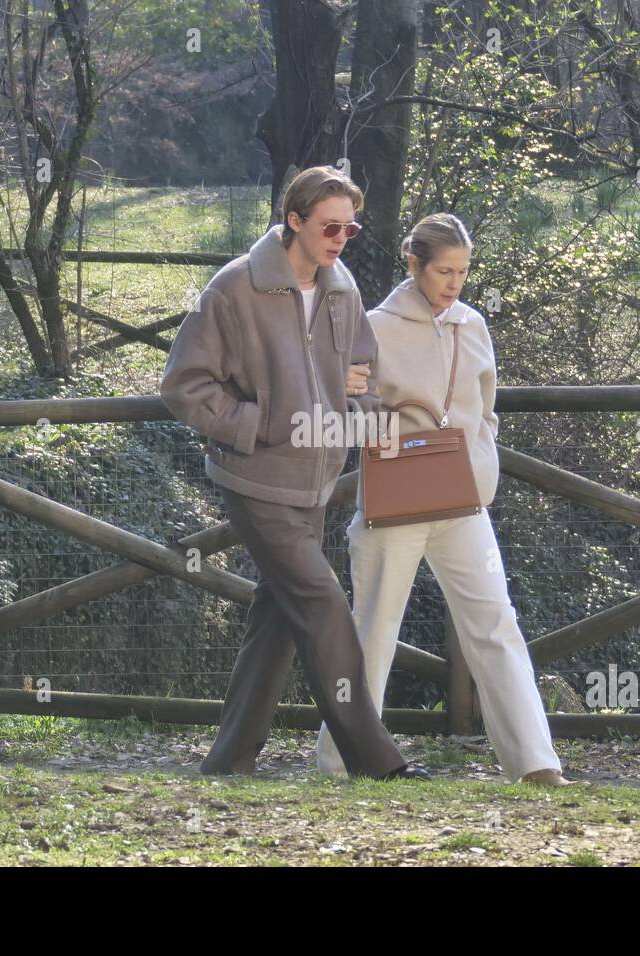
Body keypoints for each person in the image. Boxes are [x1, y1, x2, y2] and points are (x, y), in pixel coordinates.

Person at [160, 166, 427, 780]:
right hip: (255, 478)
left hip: (317, 479)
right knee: (323, 601)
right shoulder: (235, 289)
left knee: (277, 617)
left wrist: (353, 411)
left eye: (350, 227)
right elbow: (184, 386)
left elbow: (362, 372)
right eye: (330, 225)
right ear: (295, 221)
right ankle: (374, 758)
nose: (341, 237)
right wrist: (255, 425)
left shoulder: (344, 287)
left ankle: (229, 761)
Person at [315, 213, 569, 786]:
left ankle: (534, 762)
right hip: (396, 497)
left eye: (463, 272)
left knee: (495, 622)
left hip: (463, 500)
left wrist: (480, 460)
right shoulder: (372, 326)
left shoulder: (473, 325)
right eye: (444, 271)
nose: (454, 283)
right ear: (414, 265)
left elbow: (487, 408)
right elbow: (347, 407)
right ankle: (340, 760)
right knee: (372, 629)